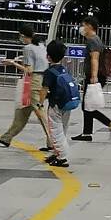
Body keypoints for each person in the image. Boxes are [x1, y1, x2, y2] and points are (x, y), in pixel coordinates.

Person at [0, 23, 52, 150]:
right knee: (23, 110)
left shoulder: (28, 48)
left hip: (33, 80)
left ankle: (52, 141)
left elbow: (29, 70)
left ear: (23, 36)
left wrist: (12, 63)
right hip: (41, 79)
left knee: (39, 110)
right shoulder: (41, 45)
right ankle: (6, 137)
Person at [71, 16, 111, 142]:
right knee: (88, 106)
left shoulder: (93, 40)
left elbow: (95, 59)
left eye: (83, 25)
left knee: (87, 106)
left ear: (90, 26)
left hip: (95, 77)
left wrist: (93, 76)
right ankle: (87, 133)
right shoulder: (94, 40)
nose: (82, 28)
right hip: (95, 76)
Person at [40, 40, 78, 168]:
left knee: (55, 131)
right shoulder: (63, 69)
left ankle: (61, 157)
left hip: (55, 106)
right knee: (63, 130)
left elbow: (44, 89)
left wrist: (40, 103)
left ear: (48, 56)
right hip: (67, 104)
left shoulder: (49, 72)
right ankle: (57, 153)